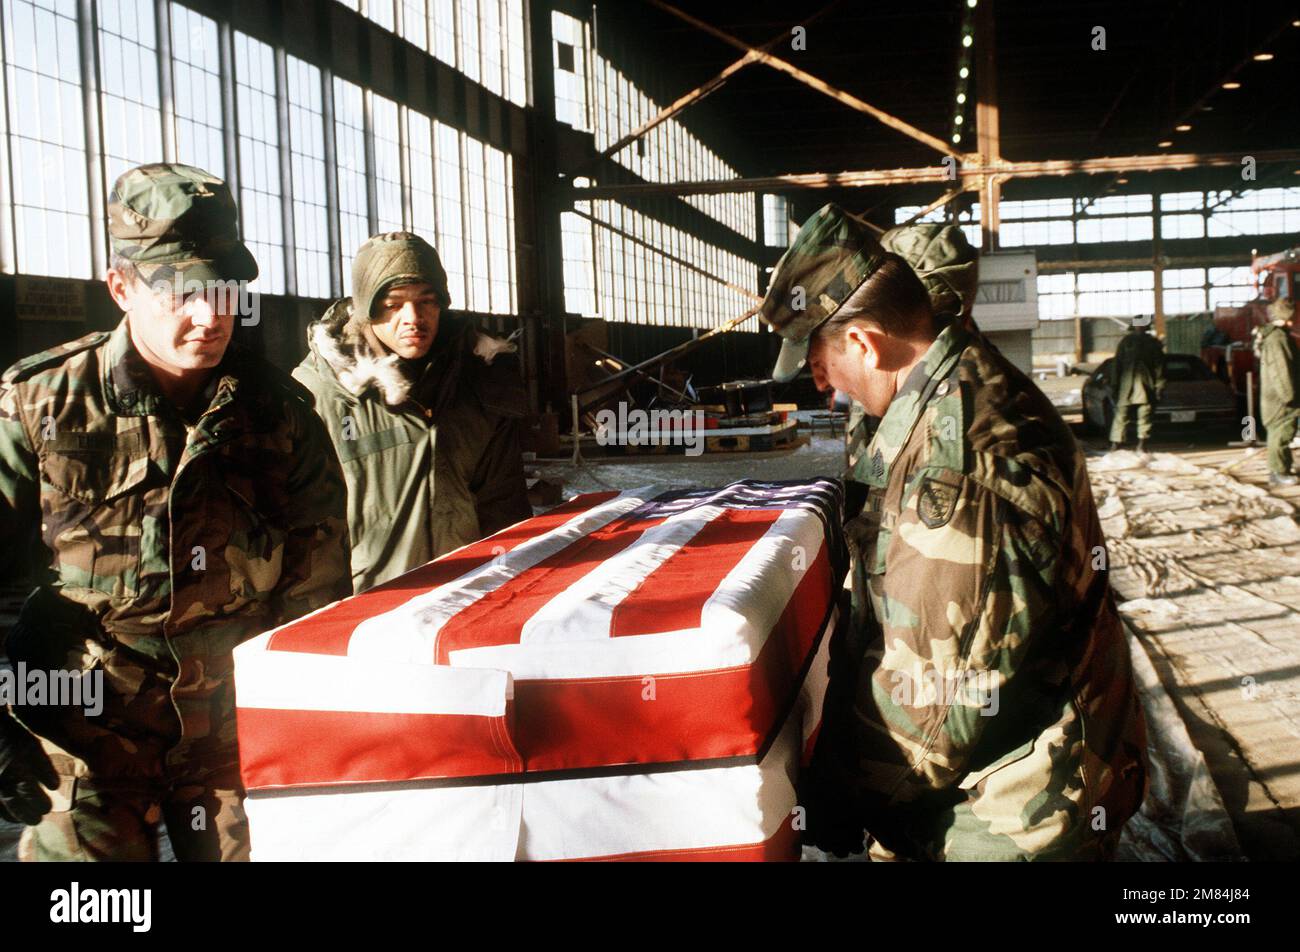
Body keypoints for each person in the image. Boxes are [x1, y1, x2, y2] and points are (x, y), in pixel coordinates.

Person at [765, 204, 1147, 861]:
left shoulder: (962, 467)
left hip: (1014, 803)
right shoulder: (933, 394)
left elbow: (931, 721)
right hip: (986, 760)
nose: (819, 381)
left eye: (819, 357)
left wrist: (817, 807)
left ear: (863, 341)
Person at [0, 163, 351, 860]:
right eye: (182, 291)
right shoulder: (39, 407)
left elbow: (316, 598)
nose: (210, 314)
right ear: (122, 287)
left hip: (235, 736)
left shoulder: (278, 417)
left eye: (224, 289)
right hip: (85, 737)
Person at [293, 232, 532, 592]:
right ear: (366, 308)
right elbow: (300, 535)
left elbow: (505, 507)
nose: (413, 318)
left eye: (427, 301)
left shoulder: (478, 383)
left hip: (469, 594)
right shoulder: (320, 396)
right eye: (393, 304)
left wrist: (511, 587)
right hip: (368, 609)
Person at [1254, 297, 1300, 488]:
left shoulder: (1274, 336)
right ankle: (1278, 472)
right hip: (1281, 397)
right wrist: (1290, 397)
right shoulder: (1278, 338)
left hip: (1276, 395)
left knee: (1281, 432)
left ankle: (1284, 467)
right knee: (1280, 433)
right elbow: (1281, 371)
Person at [1109, 317, 1166, 452]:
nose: (1140, 328)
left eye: (1142, 325)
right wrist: (1114, 384)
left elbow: (1159, 367)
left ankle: (1142, 444)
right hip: (1126, 385)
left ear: (1147, 327)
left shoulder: (1153, 343)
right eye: (1138, 325)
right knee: (1121, 414)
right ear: (1134, 327)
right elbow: (1117, 364)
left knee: (1144, 415)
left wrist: (1159, 386)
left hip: (1146, 385)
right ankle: (1116, 443)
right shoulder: (1126, 342)